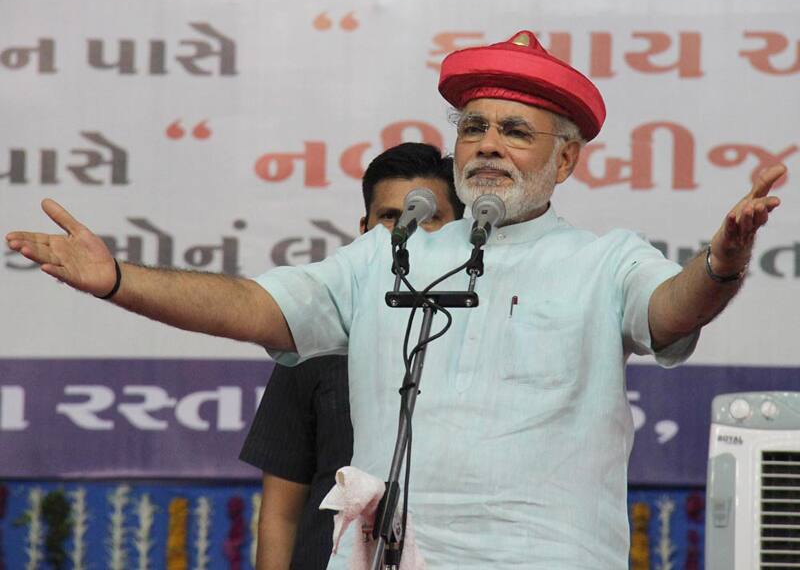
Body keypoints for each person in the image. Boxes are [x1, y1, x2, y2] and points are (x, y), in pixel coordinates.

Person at [5, 30, 786, 568]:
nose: (487, 144)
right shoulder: (390, 253)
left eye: (516, 130)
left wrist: (721, 259)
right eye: (473, 126)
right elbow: (251, 304)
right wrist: (117, 280)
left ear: (568, 158)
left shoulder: (604, 260)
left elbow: (671, 311)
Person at [240, 142, 464, 570]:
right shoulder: (317, 337)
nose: (410, 232)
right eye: (391, 218)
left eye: (429, 218)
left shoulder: (481, 337)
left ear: (459, 227)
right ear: (364, 229)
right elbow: (281, 513)